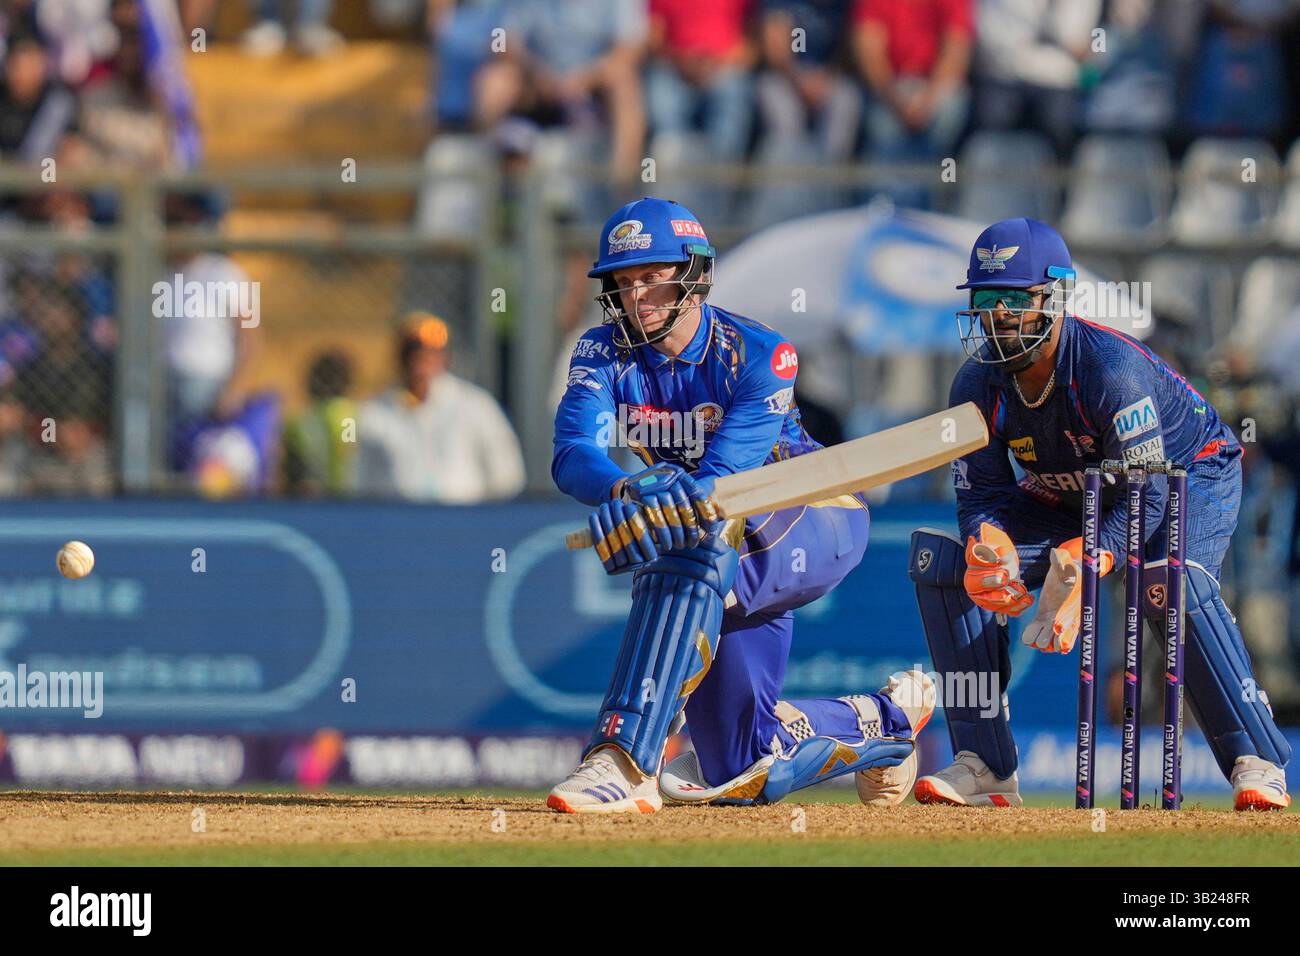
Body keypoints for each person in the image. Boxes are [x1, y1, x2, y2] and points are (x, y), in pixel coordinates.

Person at [547, 196, 935, 814]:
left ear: (695, 276)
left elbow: (724, 482)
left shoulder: (759, 354)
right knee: (743, 768)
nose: (636, 296)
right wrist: (624, 489)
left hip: (815, 515)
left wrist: (661, 501)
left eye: (653, 277)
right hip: (722, 542)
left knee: (692, 539)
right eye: (623, 283)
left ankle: (623, 758)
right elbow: (572, 454)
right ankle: (882, 726)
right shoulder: (602, 353)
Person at [908, 217, 1291, 810]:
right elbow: (981, 495)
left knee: (1170, 584)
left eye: (1014, 300)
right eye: (986, 301)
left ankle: (1255, 758)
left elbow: (1150, 494)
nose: (997, 317)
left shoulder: (1110, 371)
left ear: (1055, 297)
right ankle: (986, 762)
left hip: (1189, 474)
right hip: (1073, 489)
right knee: (949, 568)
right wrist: (992, 546)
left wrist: (1088, 558)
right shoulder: (975, 384)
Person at [354, 312, 525, 503]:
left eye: (433, 351)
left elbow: (507, 475)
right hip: (399, 521)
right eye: (414, 351)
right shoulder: (375, 414)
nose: (423, 360)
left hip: (463, 520)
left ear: (445, 356)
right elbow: (361, 479)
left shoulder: (476, 406)